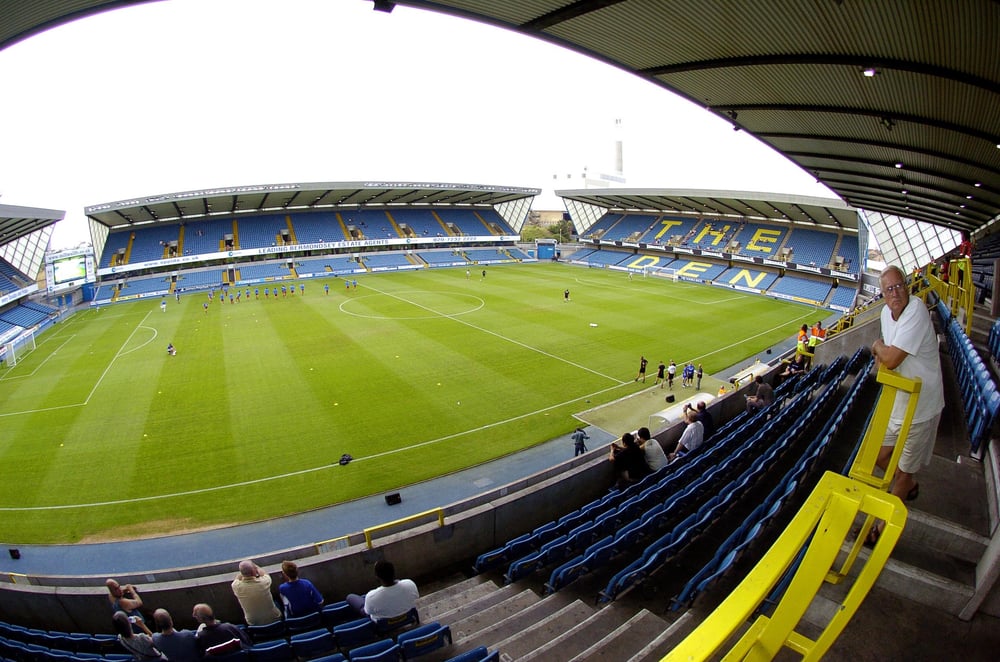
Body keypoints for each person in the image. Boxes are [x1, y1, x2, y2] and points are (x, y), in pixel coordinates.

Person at [868, 265, 944, 543]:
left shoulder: (917, 311)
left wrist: (877, 346)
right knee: (880, 457)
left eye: (899, 286)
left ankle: (880, 529)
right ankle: (908, 484)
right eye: (889, 289)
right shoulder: (885, 315)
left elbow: (889, 359)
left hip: (921, 406)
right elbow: (883, 364)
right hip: (899, 402)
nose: (896, 292)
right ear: (883, 294)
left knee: (903, 470)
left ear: (907, 286)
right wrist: (882, 351)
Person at [346, 560, 419, 621]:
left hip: (384, 623)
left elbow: (368, 612)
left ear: (377, 577)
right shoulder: (410, 584)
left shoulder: (371, 596)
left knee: (350, 597)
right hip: (408, 615)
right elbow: (416, 596)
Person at [231, 560, 281, 626]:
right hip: (275, 619)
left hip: (254, 623)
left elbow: (237, 578)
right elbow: (264, 574)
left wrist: (244, 571)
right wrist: (256, 567)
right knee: (276, 601)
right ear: (254, 571)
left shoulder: (236, 586)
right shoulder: (264, 582)